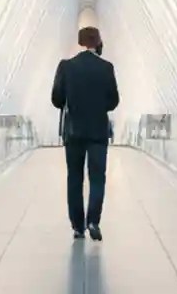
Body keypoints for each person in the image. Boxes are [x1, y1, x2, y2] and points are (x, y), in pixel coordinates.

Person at [51, 27, 119, 241]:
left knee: (75, 178)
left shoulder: (66, 67)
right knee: (98, 178)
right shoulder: (106, 68)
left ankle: (78, 226)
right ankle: (93, 221)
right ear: (98, 42)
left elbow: (56, 99)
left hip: (74, 132)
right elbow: (113, 101)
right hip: (98, 132)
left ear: (79, 42)